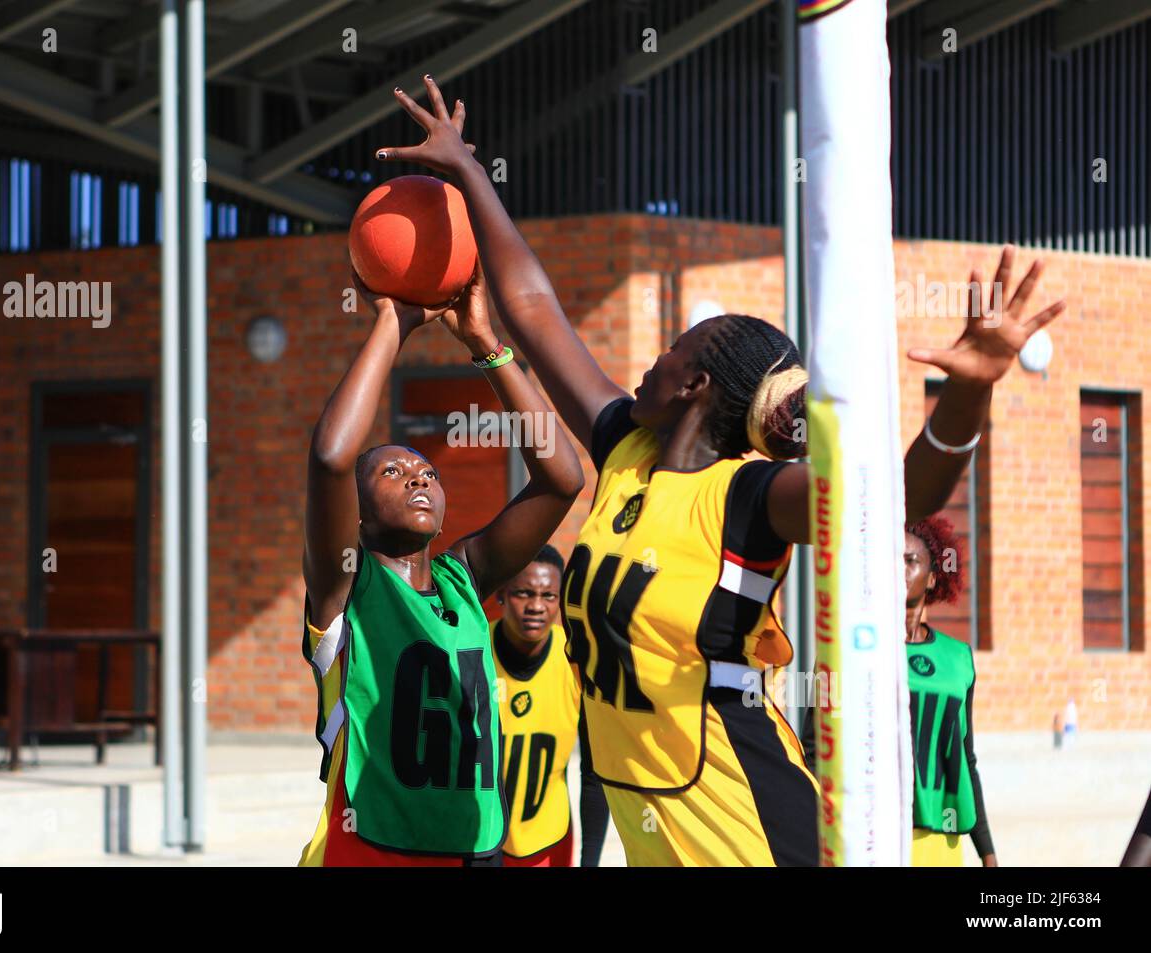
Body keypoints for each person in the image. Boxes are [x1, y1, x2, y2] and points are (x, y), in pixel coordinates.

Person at [374, 74, 1066, 866]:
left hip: (740, 811)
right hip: (646, 811)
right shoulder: (625, 452)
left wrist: (967, 392)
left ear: (697, 385)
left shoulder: (749, 498)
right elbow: (534, 309)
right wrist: (466, 170)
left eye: (672, 349)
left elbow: (893, 501)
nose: (652, 359)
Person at [297, 264, 584, 867]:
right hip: (371, 846)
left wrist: (486, 343)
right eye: (393, 472)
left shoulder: (465, 579)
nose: (419, 479)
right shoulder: (346, 583)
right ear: (360, 510)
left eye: (428, 472)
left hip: (476, 850)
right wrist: (392, 323)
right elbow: (330, 457)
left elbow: (562, 479)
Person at [806, 516, 997, 866]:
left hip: (941, 839)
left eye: (910, 561)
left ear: (933, 577)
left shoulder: (958, 659)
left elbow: (964, 757)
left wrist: (987, 852)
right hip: (868, 835)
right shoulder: (845, 648)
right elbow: (814, 748)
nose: (899, 570)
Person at [492, 545, 610, 866]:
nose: (536, 606)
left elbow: (594, 772)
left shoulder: (576, 660)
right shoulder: (473, 651)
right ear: (501, 593)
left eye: (549, 596)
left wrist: (590, 861)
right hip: (480, 841)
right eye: (524, 593)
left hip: (548, 842)